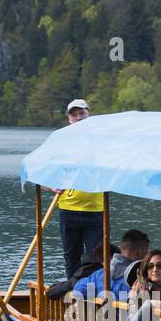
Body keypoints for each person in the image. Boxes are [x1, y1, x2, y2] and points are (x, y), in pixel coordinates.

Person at [53, 99, 104, 277]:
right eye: (74, 115)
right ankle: (73, 295)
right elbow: (42, 173)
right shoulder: (61, 142)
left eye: (81, 113)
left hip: (96, 209)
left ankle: (96, 296)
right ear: (69, 119)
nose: (78, 117)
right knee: (71, 257)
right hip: (68, 208)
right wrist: (50, 187)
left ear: (90, 114)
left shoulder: (101, 141)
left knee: (97, 257)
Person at [73, 228, 150, 299]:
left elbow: (78, 290)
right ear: (140, 251)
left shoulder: (98, 275)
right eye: (146, 253)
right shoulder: (138, 281)